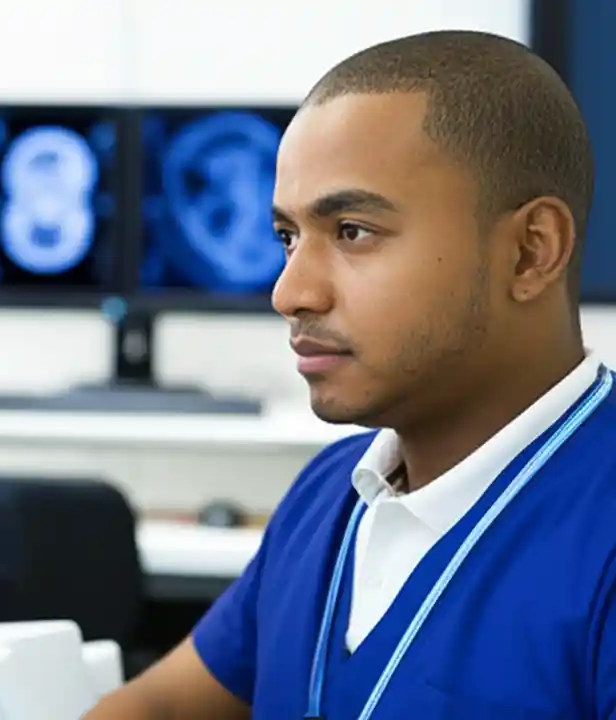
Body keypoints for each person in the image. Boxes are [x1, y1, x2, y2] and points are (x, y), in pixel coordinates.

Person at [85, 29, 616, 718]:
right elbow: (160, 707)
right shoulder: (329, 495)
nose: (289, 293)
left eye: (352, 232)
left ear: (530, 252)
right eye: (287, 237)